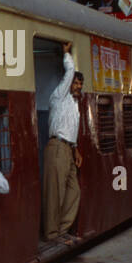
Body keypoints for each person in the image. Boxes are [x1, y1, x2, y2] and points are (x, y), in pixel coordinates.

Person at [42, 41, 83, 243]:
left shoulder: (75, 105)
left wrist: (75, 149)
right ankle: (51, 234)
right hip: (56, 147)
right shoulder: (59, 95)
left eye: (79, 85)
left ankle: (61, 229)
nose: (77, 87)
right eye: (75, 84)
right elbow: (70, 72)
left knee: (73, 191)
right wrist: (67, 54)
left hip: (67, 149)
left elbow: (72, 130)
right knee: (55, 193)